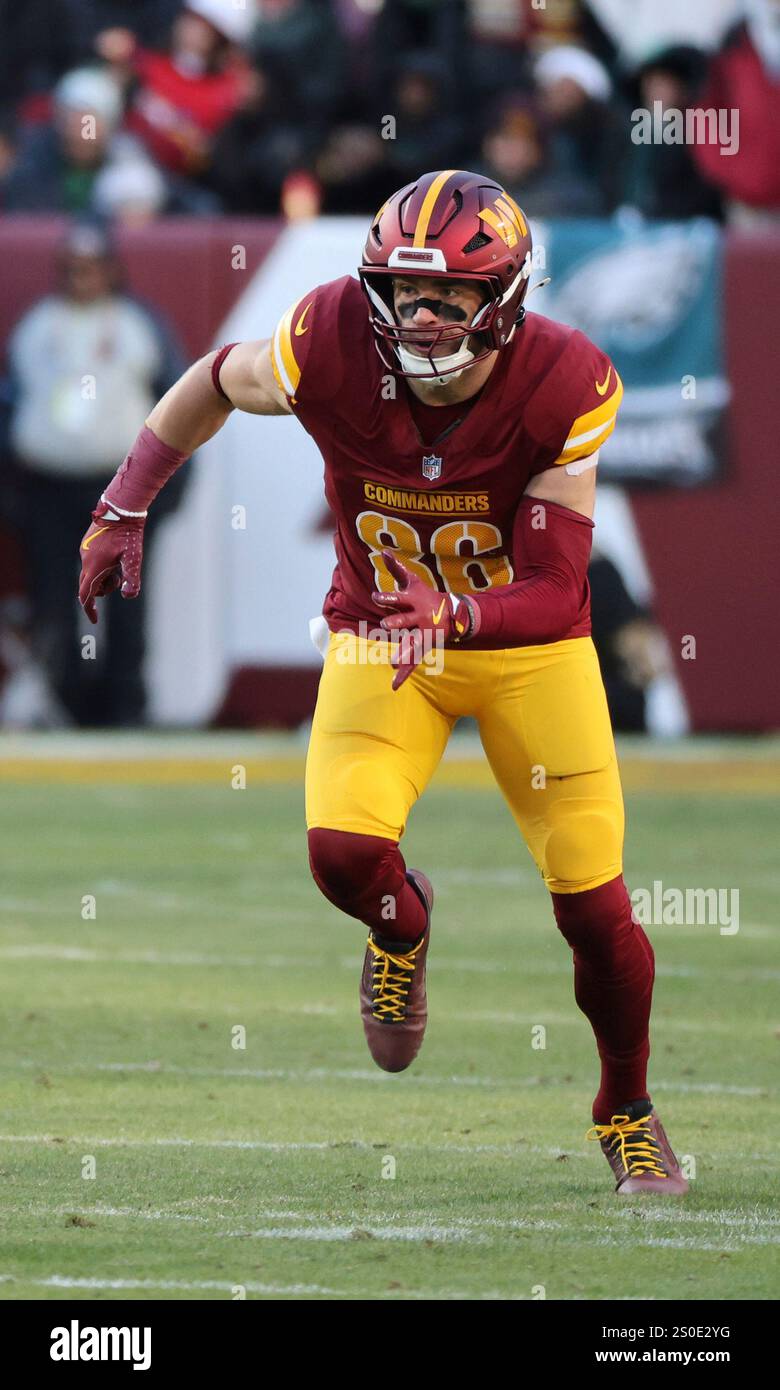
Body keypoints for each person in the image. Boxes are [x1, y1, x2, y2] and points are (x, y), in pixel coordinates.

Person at [77, 169, 688, 1196]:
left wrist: (454, 613)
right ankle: (403, 924)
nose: (423, 314)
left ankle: (624, 1105)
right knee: (340, 854)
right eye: (408, 292)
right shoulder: (328, 345)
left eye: (450, 294)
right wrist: (126, 502)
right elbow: (216, 379)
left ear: (503, 303)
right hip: (375, 632)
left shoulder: (563, 382)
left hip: (523, 653)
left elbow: (551, 588)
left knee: (594, 906)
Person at [9, 219, 186, 725]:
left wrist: (171, 487)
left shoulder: (138, 324)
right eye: (70, 269)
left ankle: (126, 705)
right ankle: (65, 702)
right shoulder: (38, 325)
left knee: (129, 597)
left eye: (90, 268)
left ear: (111, 271)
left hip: (124, 488)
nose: (80, 278)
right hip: (48, 487)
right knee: (55, 598)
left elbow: (177, 405)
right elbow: (11, 402)